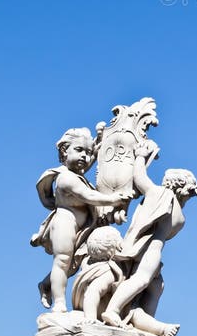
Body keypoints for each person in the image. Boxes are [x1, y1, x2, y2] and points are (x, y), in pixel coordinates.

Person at [101, 142, 197, 328]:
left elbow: (140, 178)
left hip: (151, 249)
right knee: (142, 280)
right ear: (182, 186)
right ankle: (112, 310)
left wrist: (141, 157)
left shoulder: (170, 204)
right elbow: (140, 179)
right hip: (151, 250)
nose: (192, 194)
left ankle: (142, 321)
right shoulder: (164, 197)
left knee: (155, 286)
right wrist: (139, 156)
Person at [31, 128, 129, 312]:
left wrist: (99, 146)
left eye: (88, 152)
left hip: (84, 226)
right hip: (65, 222)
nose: (85, 156)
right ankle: (59, 303)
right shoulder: (65, 178)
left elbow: (88, 162)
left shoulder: (78, 174)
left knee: (73, 265)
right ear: (64, 152)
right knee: (62, 261)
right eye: (79, 150)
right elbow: (88, 196)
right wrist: (115, 198)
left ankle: (46, 284)